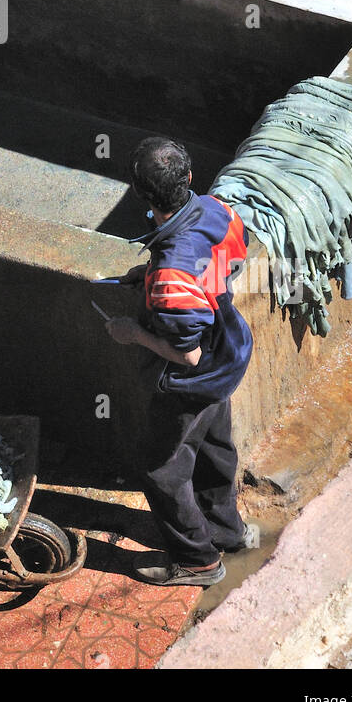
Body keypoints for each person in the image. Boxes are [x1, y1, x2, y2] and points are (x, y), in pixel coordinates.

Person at [106, 136, 254, 587]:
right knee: (213, 446)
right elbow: (226, 262)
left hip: (198, 373)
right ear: (189, 178)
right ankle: (228, 531)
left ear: (142, 195)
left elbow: (186, 354)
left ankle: (197, 561)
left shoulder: (173, 273)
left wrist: (134, 334)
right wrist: (150, 274)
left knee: (162, 468)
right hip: (229, 350)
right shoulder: (216, 209)